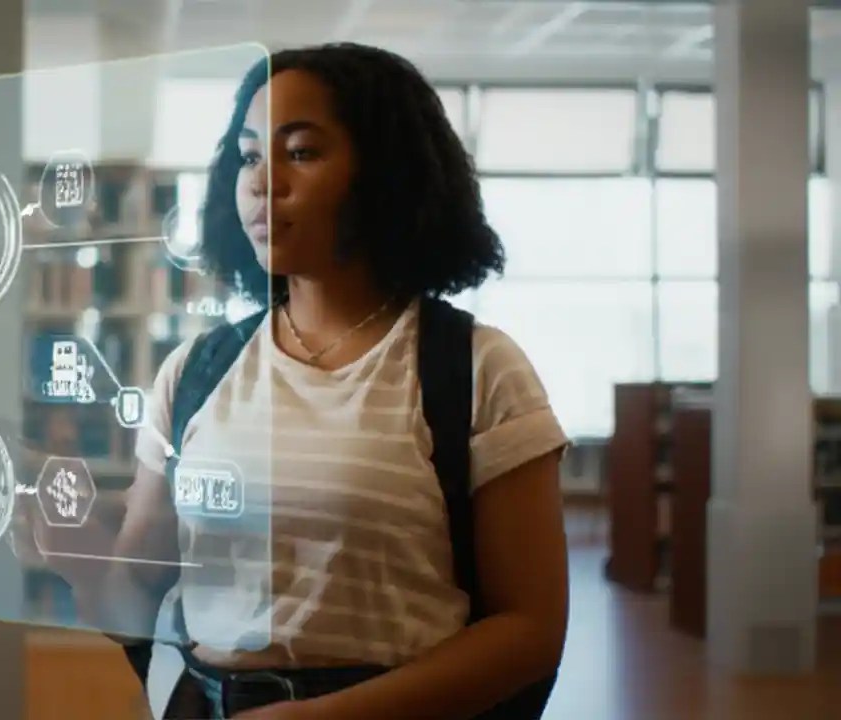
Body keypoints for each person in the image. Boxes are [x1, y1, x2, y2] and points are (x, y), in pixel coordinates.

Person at [30, 42, 570, 719]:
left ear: (384, 175)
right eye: (251, 155)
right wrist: (80, 562)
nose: (263, 181)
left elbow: (530, 632)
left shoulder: (476, 369)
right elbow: (136, 599)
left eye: (302, 152)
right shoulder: (197, 371)